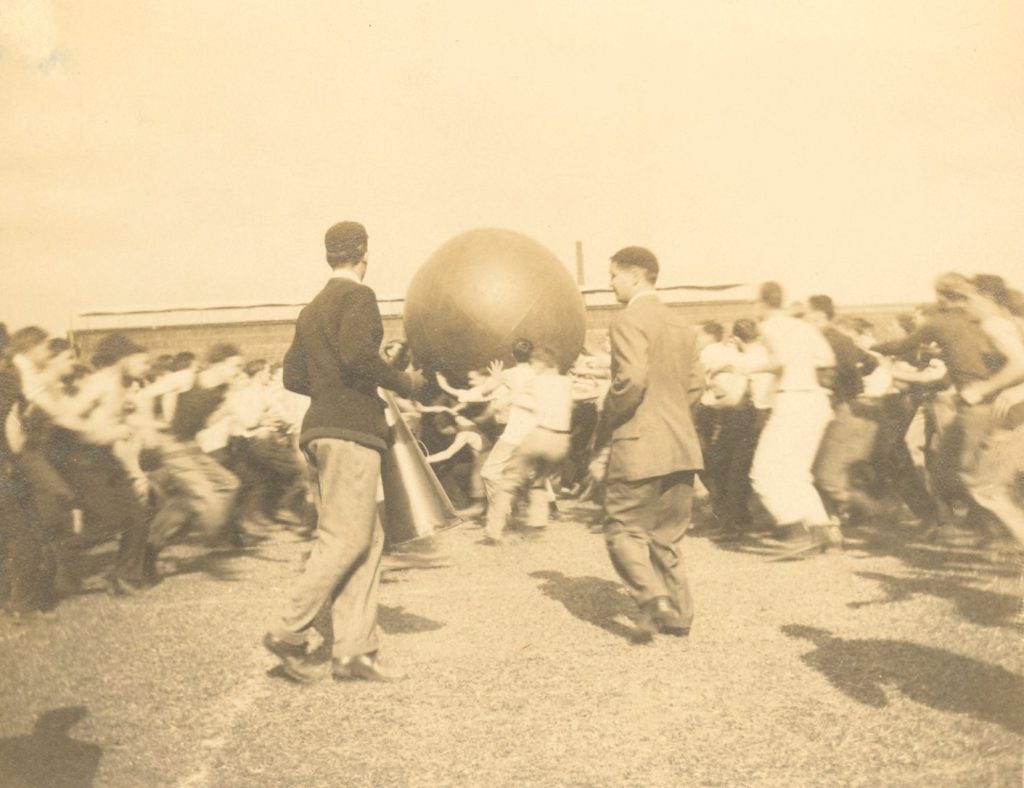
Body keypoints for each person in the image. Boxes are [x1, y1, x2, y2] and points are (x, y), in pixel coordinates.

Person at [264, 220, 424, 683]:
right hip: (352, 432)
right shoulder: (358, 297)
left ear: (329, 255)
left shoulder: (312, 308)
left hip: (319, 431)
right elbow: (358, 355)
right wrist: (404, 382)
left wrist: (330, 387)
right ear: (363, 253)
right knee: (347, 538)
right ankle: (288, 630)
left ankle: (354, 651)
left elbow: (293, 376)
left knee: (367, 538)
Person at [596, 246, 703, 637]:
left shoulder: (628, 319)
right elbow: (696, 386)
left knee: (622, 528)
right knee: (668, 535)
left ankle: (649, 597)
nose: (610, 284)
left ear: (635, 275)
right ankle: (678, 614)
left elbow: (633, 379)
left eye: (613, 275)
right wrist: (672, 417)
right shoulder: (681, 324)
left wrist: (611, 411)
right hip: (681, 444)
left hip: (639, 441)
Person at [746, 282, 837, 554]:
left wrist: (741, 366)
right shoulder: (804, 326)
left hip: (792, 399)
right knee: (797, 473)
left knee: (761, 474)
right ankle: (824, 532)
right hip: (816, 400)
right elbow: (827, 359)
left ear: (762, 303)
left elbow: (780, 361)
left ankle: (796, 531)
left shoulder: (770, 326)